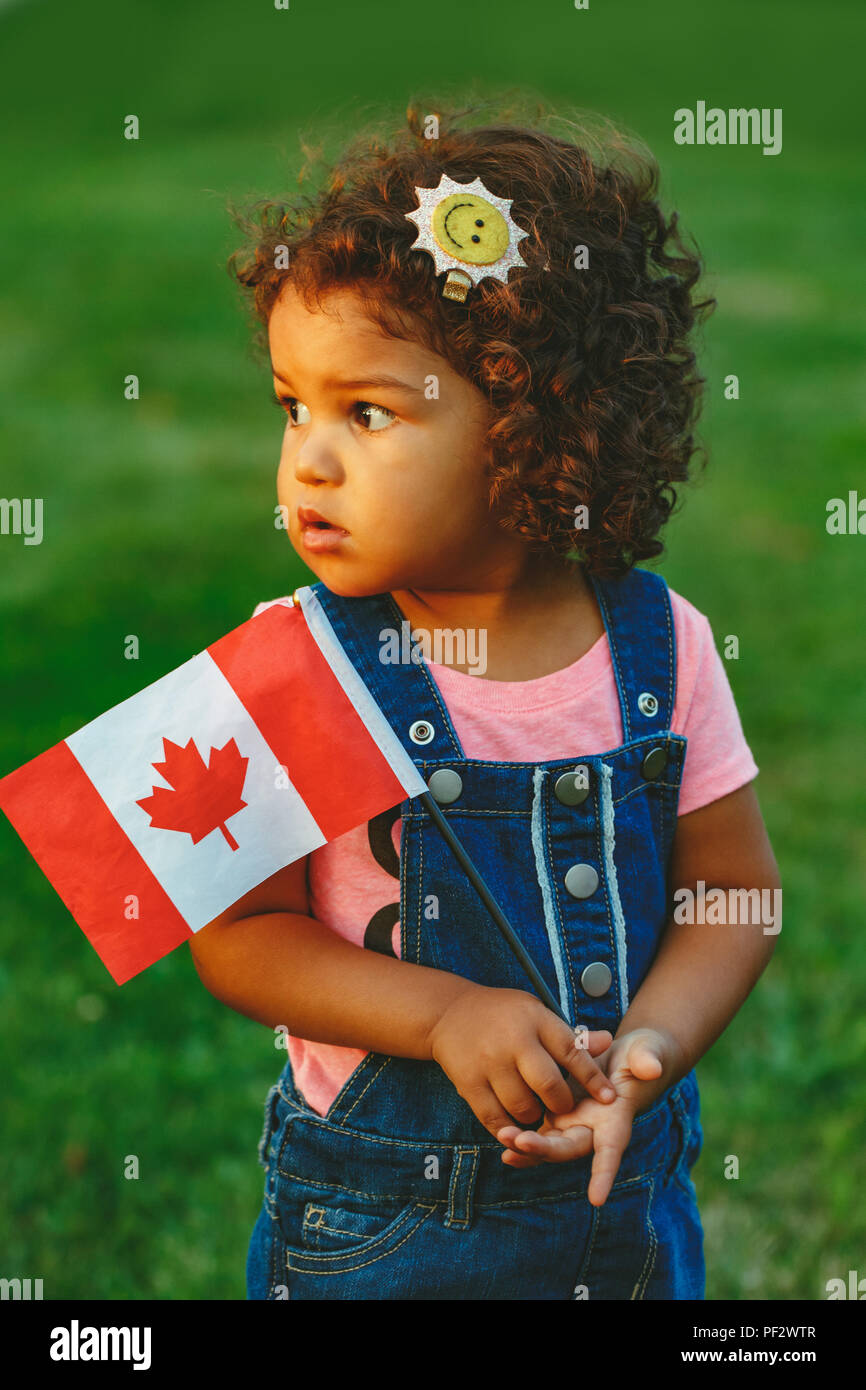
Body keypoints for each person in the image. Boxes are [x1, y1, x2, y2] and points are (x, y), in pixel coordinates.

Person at [190, 101, 780, 1299]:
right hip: (374, 1221)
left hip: (617, 1205)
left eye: (366, 414)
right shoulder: (289, 662)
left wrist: (650, 1050)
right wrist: (441, 1011)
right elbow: (240, 937)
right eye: (289, 404)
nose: (305, 458)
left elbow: (732, 896)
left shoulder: (659, 650)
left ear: (532, 421)